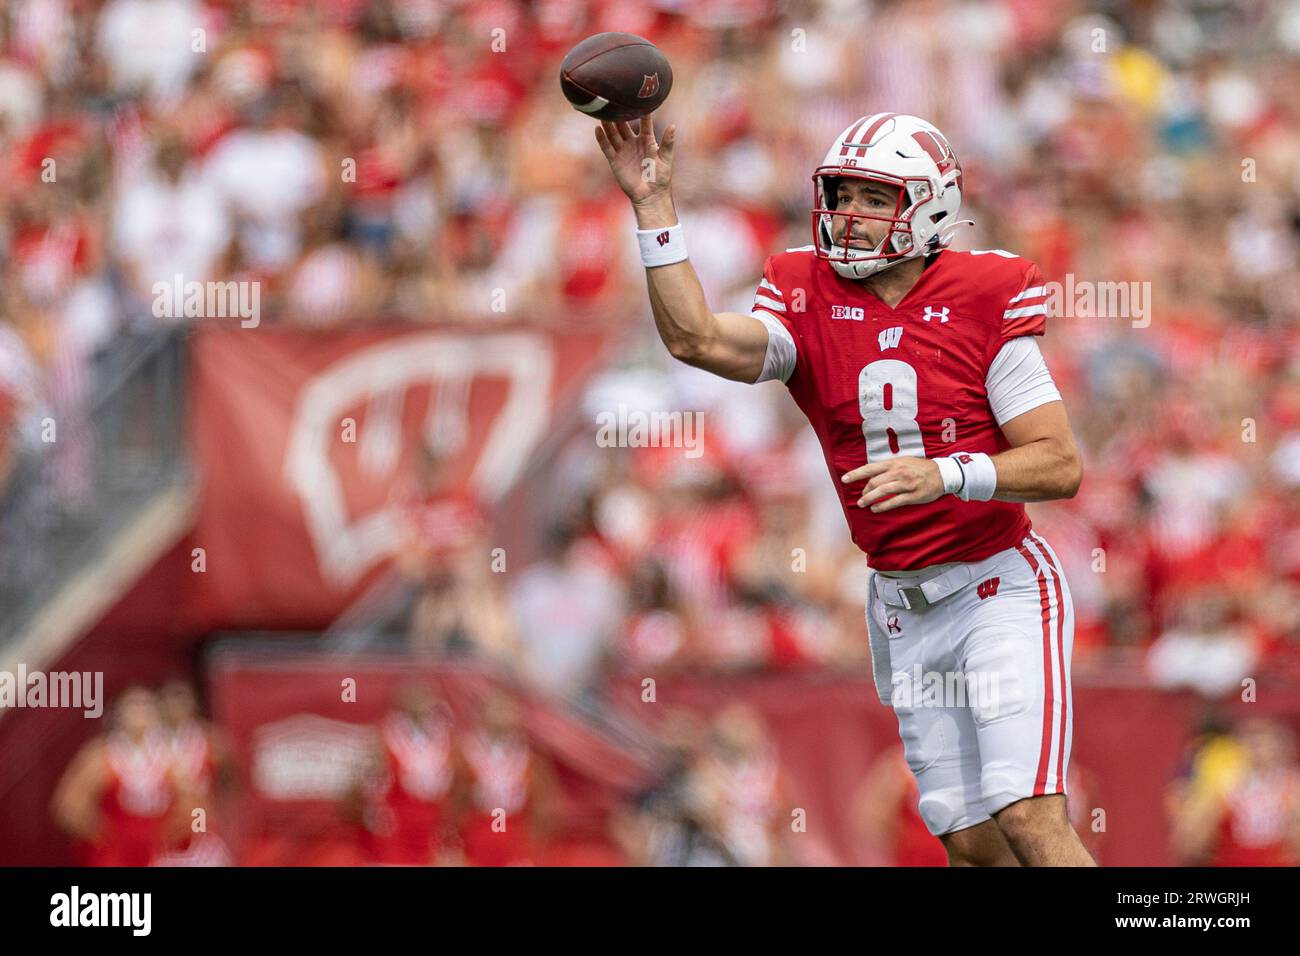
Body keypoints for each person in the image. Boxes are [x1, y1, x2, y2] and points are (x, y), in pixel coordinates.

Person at [595, 111, 1092, 866]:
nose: (849, 214)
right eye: (842, 193)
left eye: (872, 197)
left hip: (1000, 589)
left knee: (1028, 820)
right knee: (973, 843)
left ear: (928, 205)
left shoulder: (984, 294)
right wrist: (654, 207)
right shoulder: (805, 291)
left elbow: (1059, 463)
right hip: (903, 602)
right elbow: (695, 337)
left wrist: (946, 473)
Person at [51, 686, 177, 866]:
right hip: (115, 855)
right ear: (118, 714)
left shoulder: (170, 757)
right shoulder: (100, 756)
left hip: (159, 853)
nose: (141, 712)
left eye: (147, 706)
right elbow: (66, 808)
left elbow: (195, 802)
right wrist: (103, 835)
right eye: (134, 706)